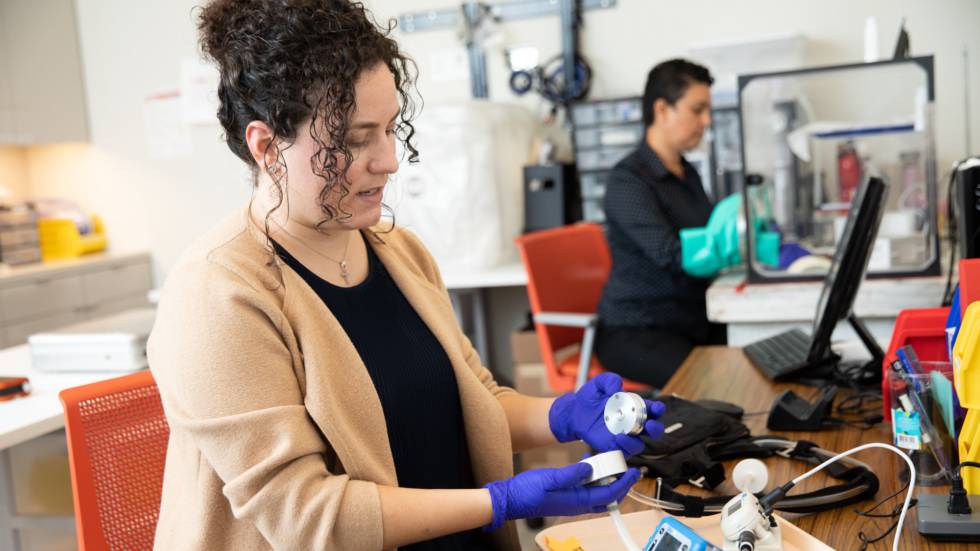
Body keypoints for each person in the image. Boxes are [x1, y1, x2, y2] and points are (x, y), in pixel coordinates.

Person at [147, 2, 665, 550]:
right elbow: (306, 518)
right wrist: (500, 503)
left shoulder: (399, 251)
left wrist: (563, 415)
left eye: (391, 128)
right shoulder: (217, 294)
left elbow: (473, 401)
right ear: (267, 147)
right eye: (353, 139)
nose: (389, 159)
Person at [595, 59, 727, 389]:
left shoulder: (688, 173)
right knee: (718, 383)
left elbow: (709, 237)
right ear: (662, 109)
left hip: (693, 319)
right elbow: (669, 254)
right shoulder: (628, 180)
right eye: (697, 110)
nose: (706, 121)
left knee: (759, 358)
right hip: (637, 330)